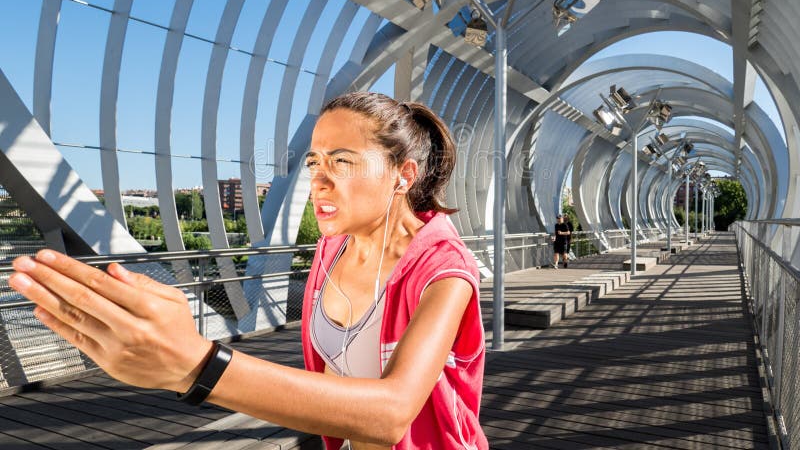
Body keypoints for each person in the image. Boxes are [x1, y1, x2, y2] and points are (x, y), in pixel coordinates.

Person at [8, 91, 488, 450]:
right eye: (315, 161)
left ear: (403, 175)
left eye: (342, 161)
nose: (318, 179)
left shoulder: (443, 271)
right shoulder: (332, 248)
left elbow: (392, 413)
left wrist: (197, 364)